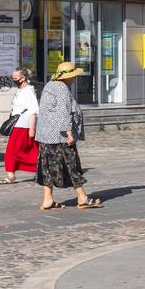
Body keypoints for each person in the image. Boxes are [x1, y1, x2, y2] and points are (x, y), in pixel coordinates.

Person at [33, 61, 102, 211]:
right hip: (60, 136)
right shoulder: (62, 88)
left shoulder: (49, 85)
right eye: (73, 76)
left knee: (47, 167)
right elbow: (62, 112)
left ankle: (47, 200)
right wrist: (69, 133)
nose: (74, 79)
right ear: (68, 77)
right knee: (72, 165)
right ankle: (82, 197)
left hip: (46, 135)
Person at [0, 67, 39, 184]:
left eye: (15, 78)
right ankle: (41, 167)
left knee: (14, 150)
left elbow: (34, 110)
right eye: (13, 77)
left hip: (24, 125)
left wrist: (32, 129)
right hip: (18, 125)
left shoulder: (29, 92)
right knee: (26, 150)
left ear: (23, 78)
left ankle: (11, 175)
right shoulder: (20, 90)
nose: (13, 80)